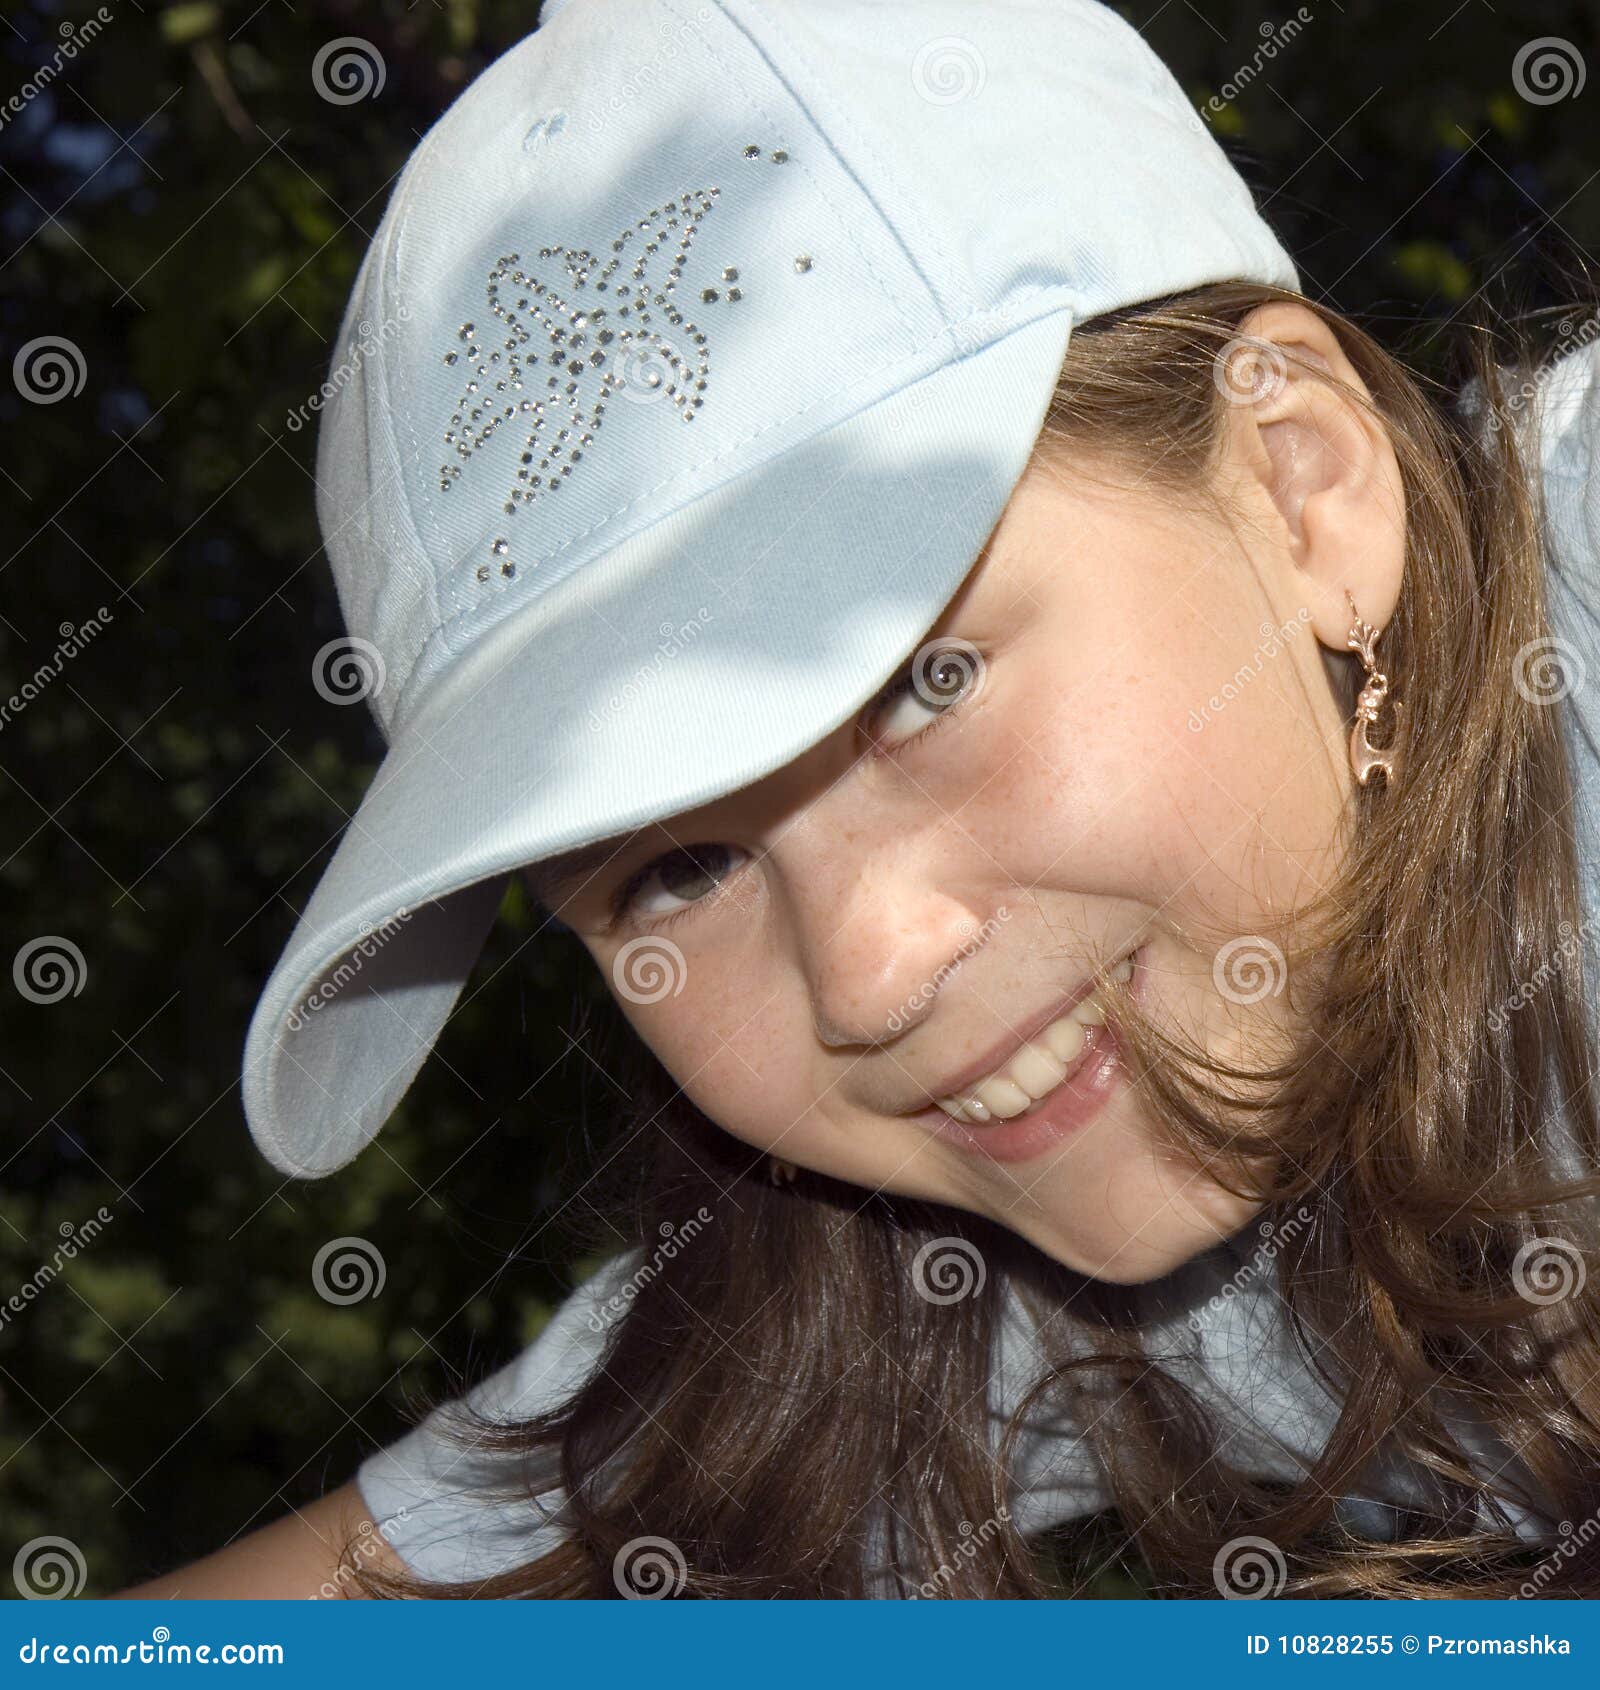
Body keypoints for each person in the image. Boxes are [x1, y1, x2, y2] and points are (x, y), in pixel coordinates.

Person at [120, 0, 1600, 1599]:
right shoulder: (946, 1258)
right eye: (675, 869)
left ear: (1305, 488)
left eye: (923, 684)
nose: (876, 973)